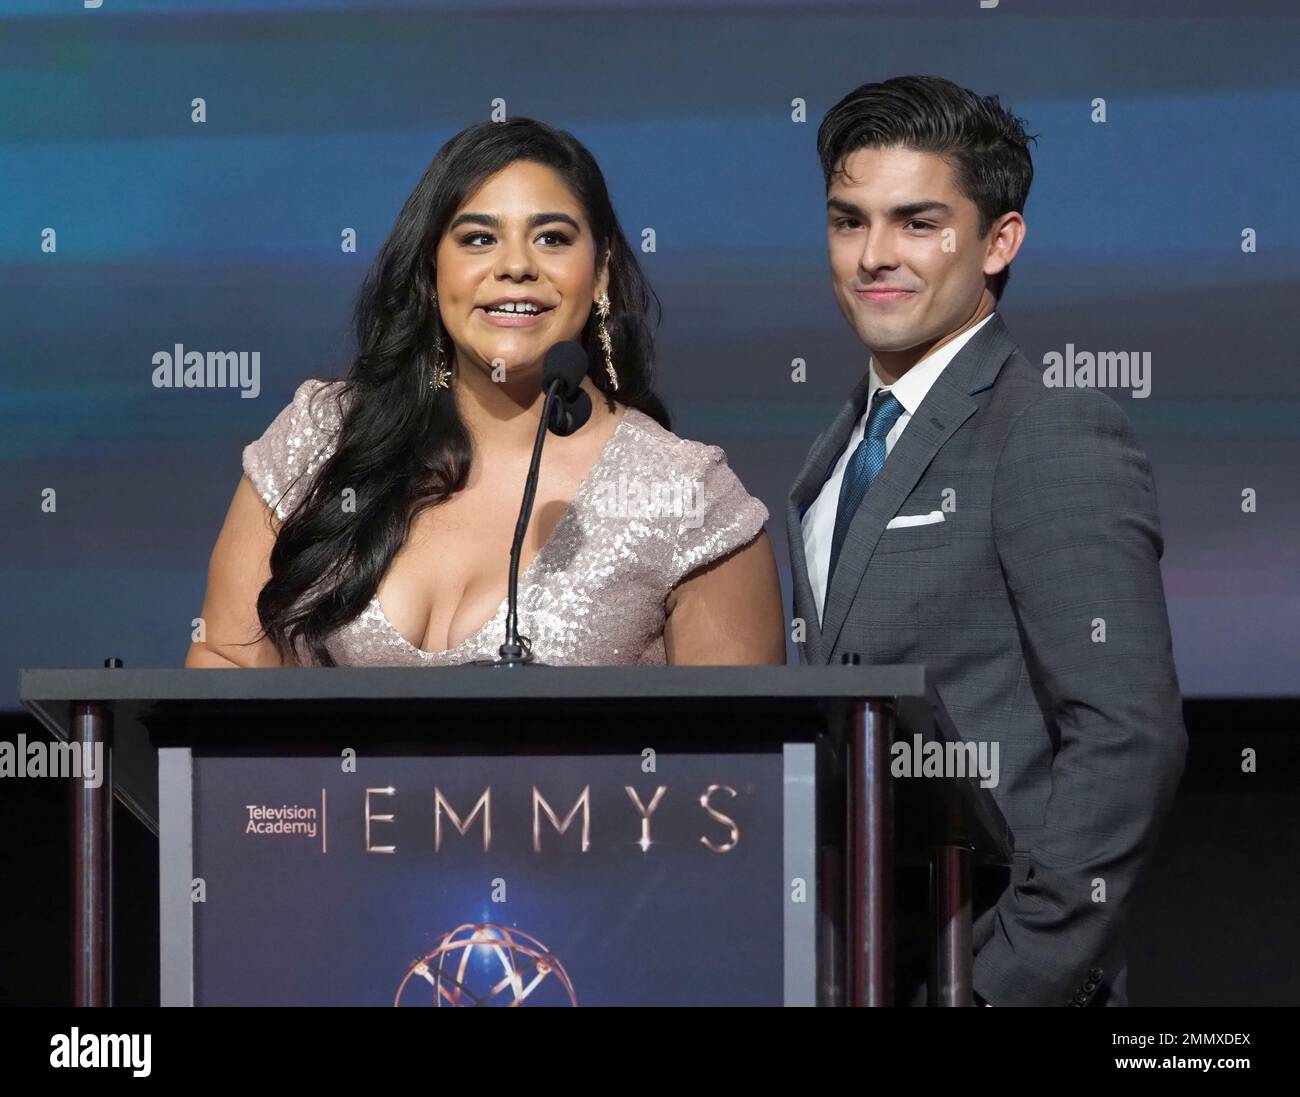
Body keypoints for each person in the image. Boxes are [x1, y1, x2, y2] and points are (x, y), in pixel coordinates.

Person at [787, 75, 1187, 1006]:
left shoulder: (1048, 430)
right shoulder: (835, 453)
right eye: (849, 221)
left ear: (999, 240)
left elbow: (1129, 736)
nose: (874, 256)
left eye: (917, 222)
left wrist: (996, 985)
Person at [187, 119, 784, 669]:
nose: (516, 266)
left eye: (551, 238)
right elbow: (224, 664)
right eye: (477, 239)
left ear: (599, 271)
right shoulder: (320, 437)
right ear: (432, 268)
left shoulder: (685, 496)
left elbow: (738, 768)